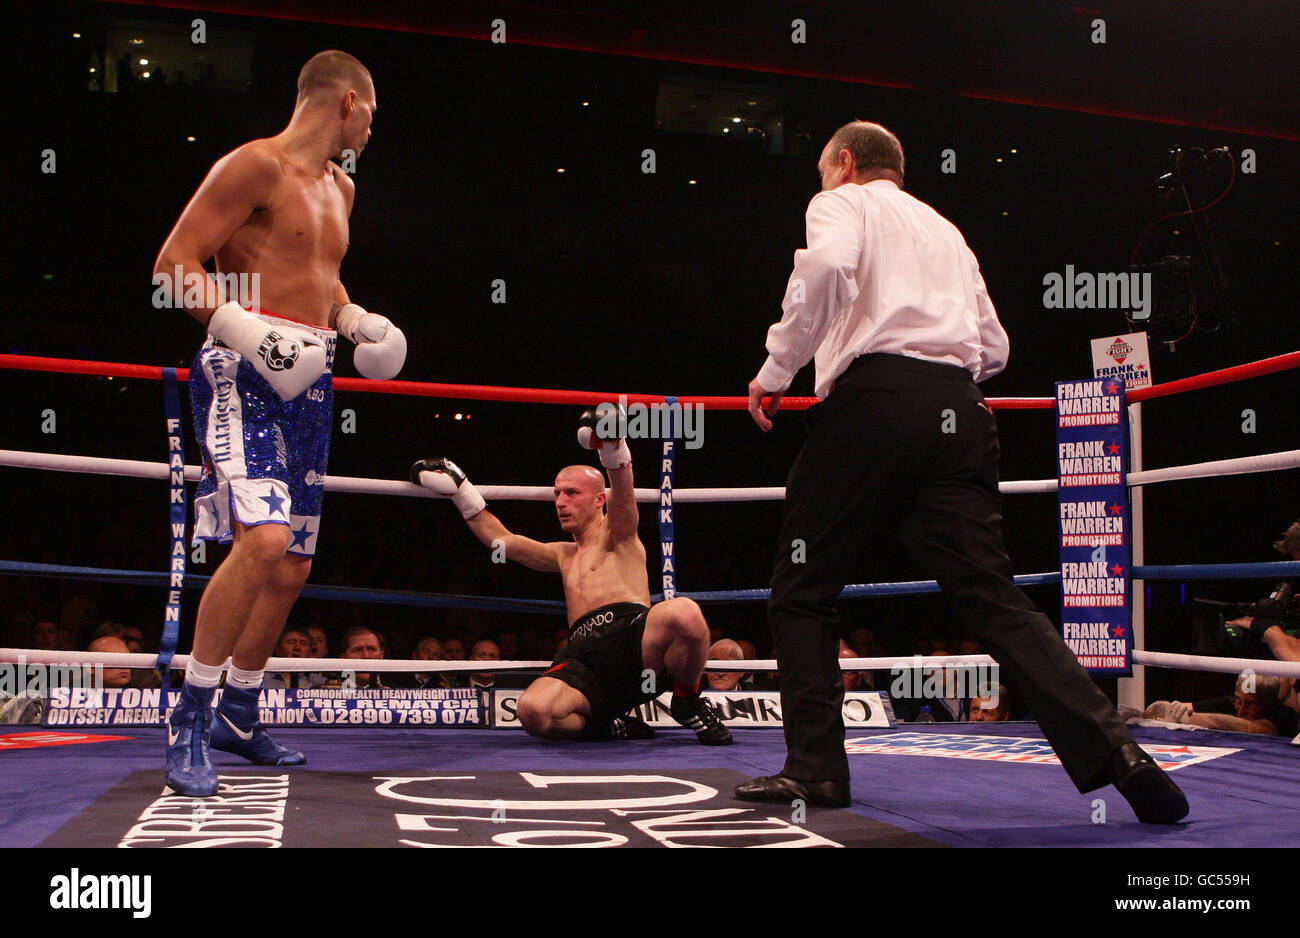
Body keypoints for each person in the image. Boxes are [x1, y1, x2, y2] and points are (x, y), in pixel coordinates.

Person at [737, 121, 1187, 823]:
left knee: (802, 589)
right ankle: (1121, 753)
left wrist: (776, 369)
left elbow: (823, 272)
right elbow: (994, 346)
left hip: (873, 404)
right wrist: (935, 381)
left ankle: (817, 772)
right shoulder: (946, 230)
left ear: (845, 163)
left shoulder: (842, 202)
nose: (822, 183)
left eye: (825, 171)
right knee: (991, 594)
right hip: (960, 410)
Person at [151, 50, 406, 797]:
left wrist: (354, 318)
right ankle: (189, 715)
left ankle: (238, 708)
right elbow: (173, 266)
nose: (370, 131)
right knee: (260, 539)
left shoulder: (343, 188)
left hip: (314, 383)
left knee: (293, 559)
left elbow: (322, 278)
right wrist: (244, 328)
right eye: (373, 116)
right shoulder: (253, 167)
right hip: (244, 377)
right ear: (349, 103)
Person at [411, 410, 731, 745]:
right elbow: (501, 542)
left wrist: (613, 446)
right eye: (557, 494)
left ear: (598, 500)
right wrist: (461, 492)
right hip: (582, 657)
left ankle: (687, 698)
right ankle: (607, 725)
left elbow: (623, 491)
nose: (561, 502)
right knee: (533, 712)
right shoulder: (562, 555)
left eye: (571, 493)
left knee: (684, 612)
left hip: (633, 642)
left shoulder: (619, 534)